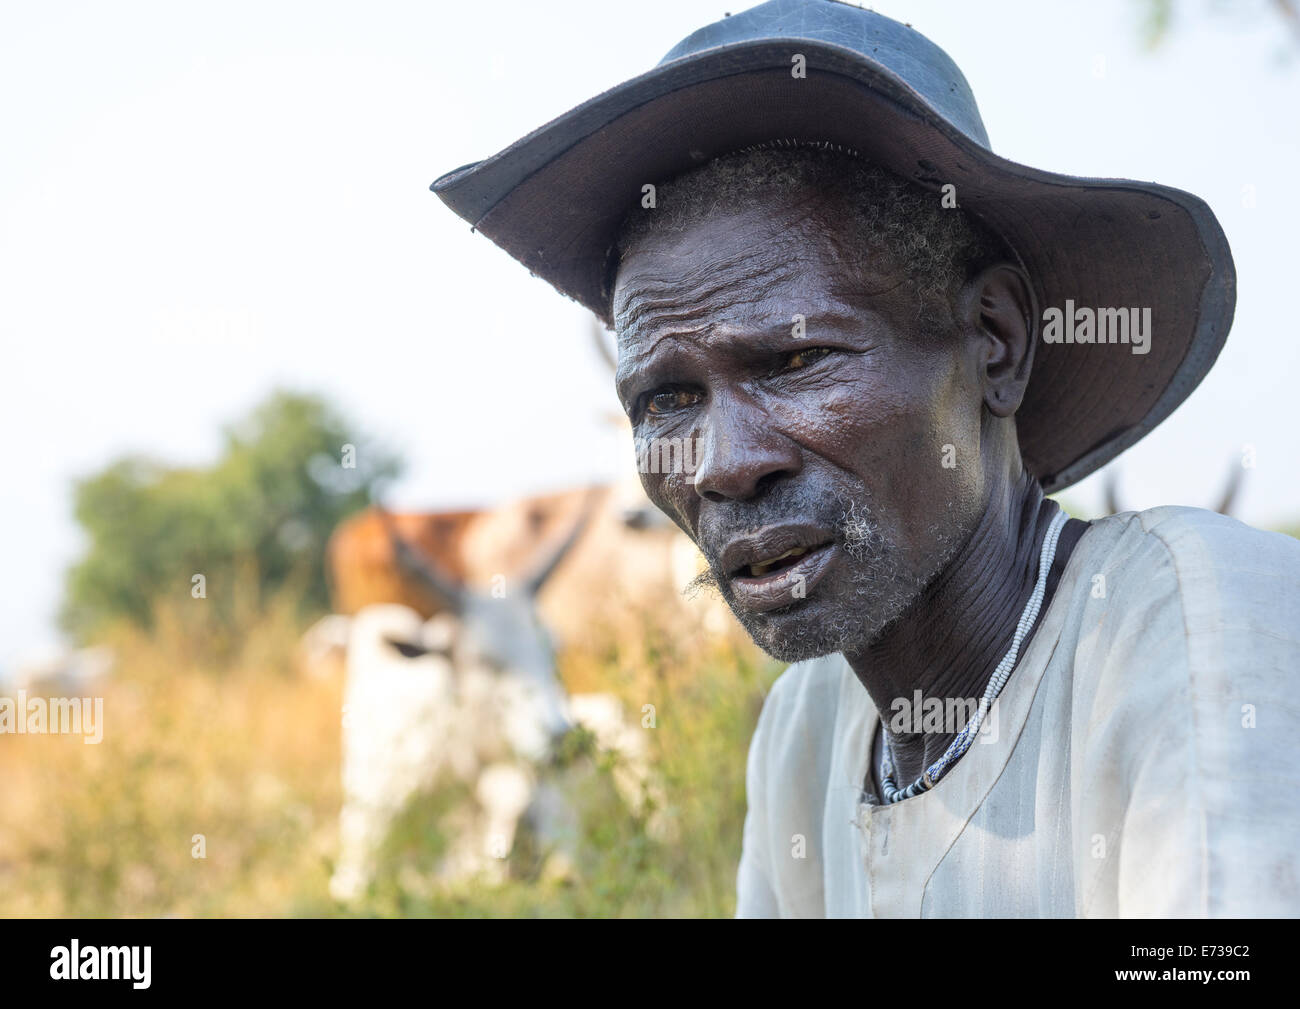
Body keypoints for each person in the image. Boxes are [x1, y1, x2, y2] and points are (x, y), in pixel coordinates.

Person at [432, 0, 1300, 916]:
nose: (724, 464)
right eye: (666, 399)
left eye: (797, 359)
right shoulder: (809, 735)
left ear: (994, 343)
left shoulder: (1194, 624)